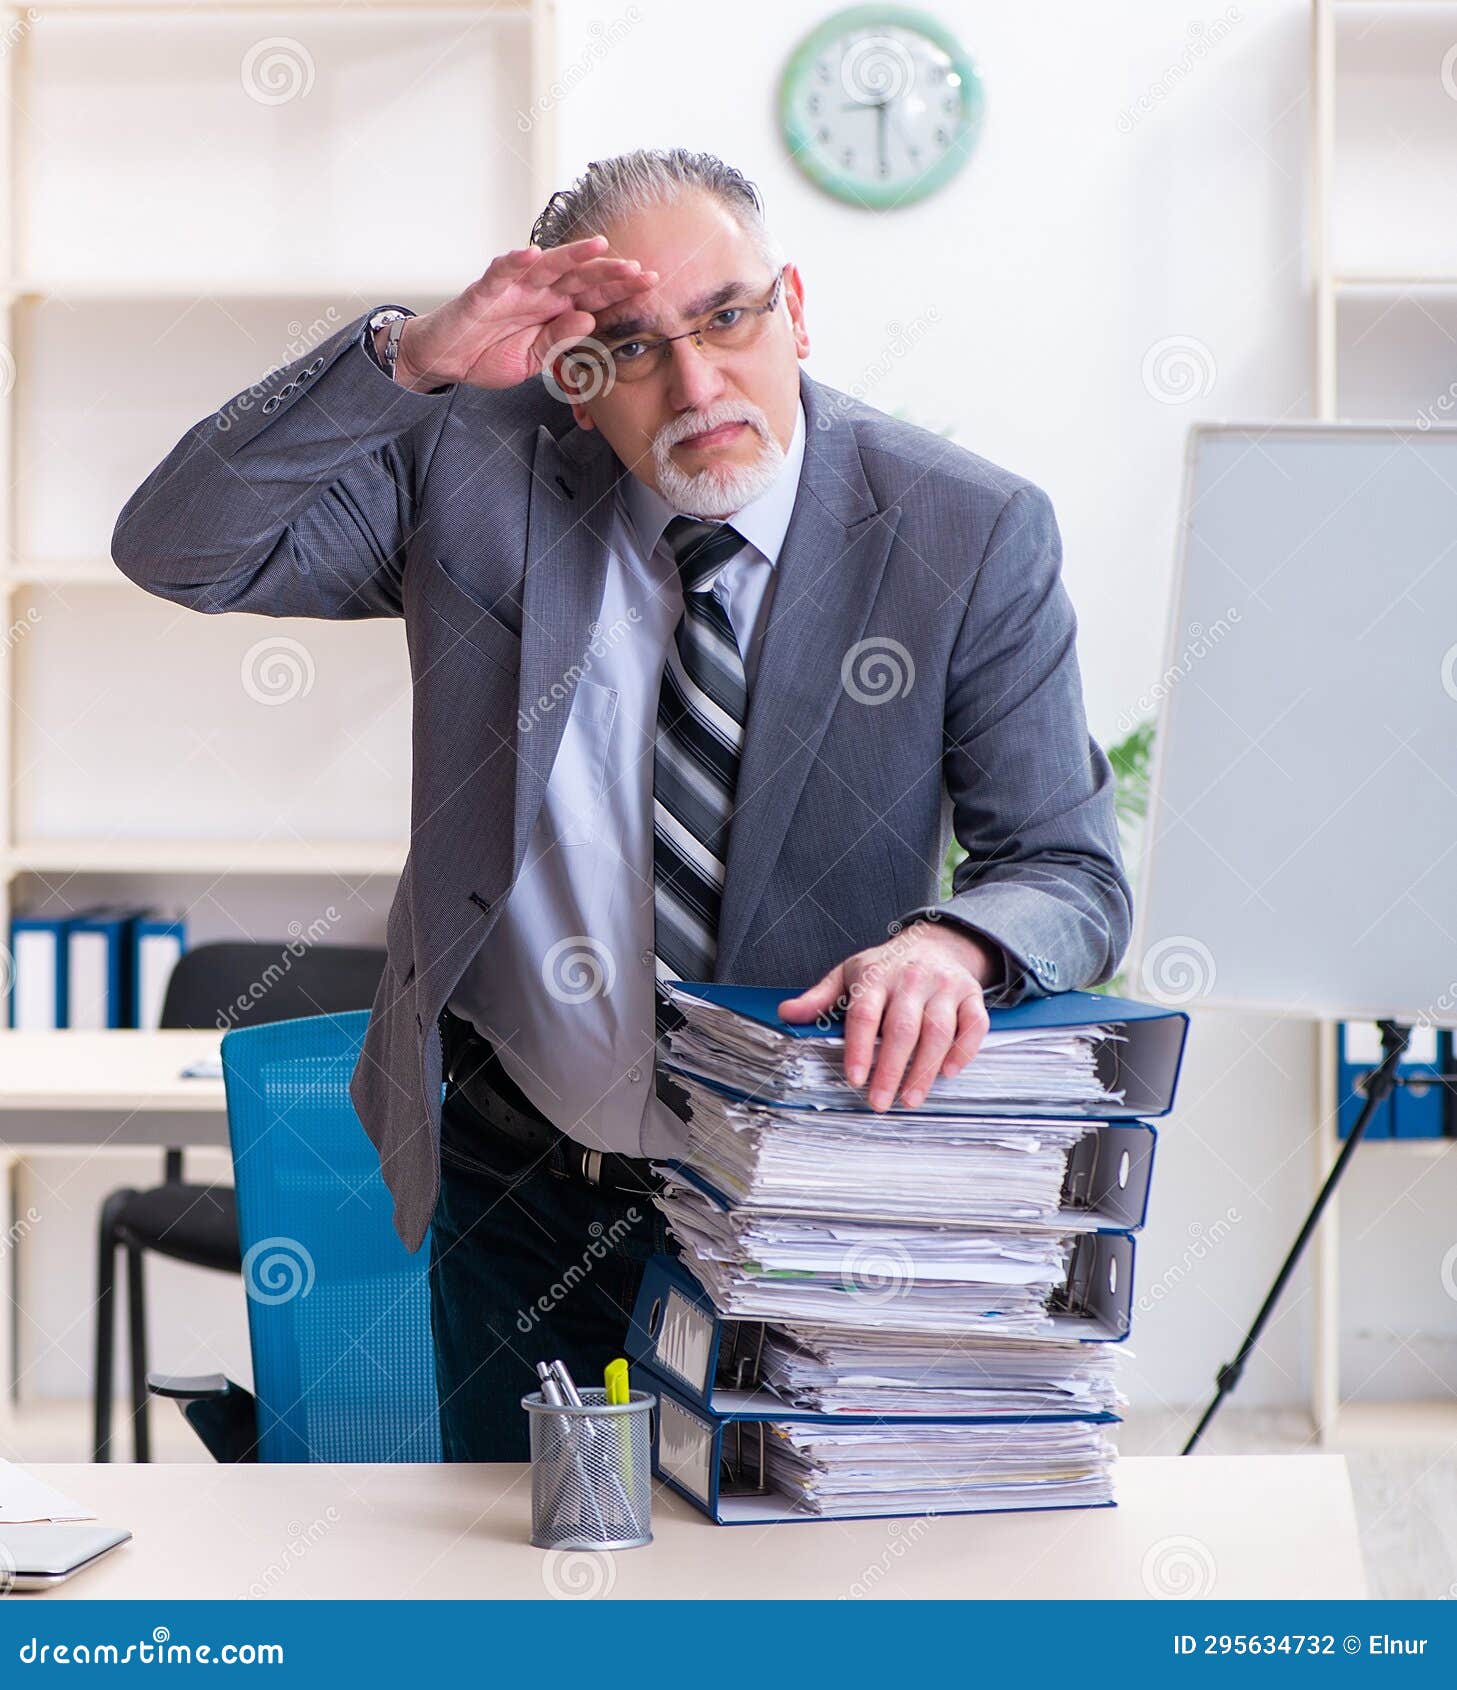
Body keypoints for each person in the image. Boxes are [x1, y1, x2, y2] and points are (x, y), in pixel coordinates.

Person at [112, 148, 1131, 1460]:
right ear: (572, 383)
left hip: (807, 1186)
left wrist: (956, 942)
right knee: (527, 1586)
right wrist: (406, 357)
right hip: (517, 1177)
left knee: (797, 1589)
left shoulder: (962, 530)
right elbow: (179, 548)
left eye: (728, 317)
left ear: (797, 306)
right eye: (632, 347)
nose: (697, 382)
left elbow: (1065, 868)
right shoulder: (480, 476)